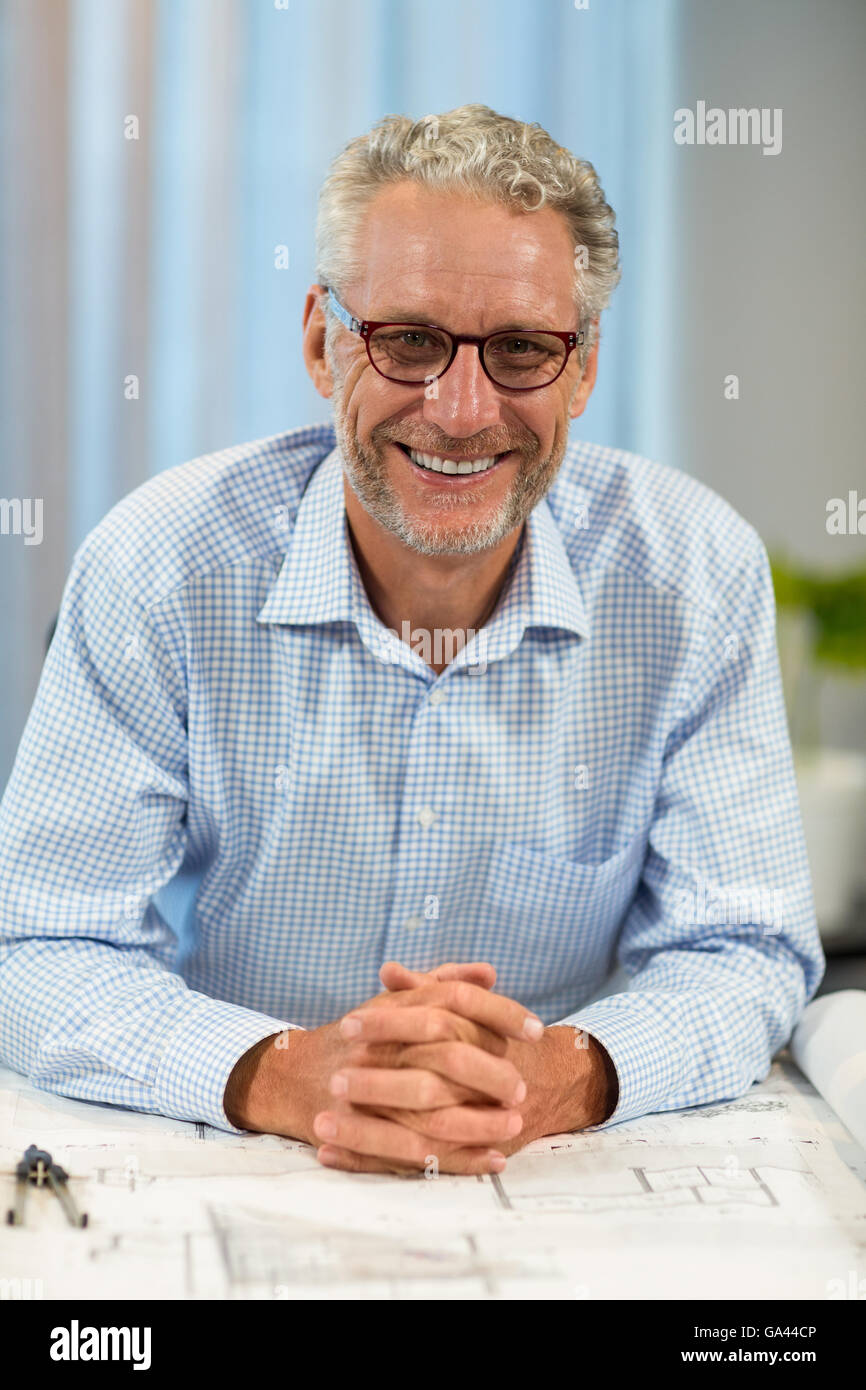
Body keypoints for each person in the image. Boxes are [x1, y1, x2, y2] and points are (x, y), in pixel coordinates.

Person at [0, 105, 823, 1176]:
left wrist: (564, 1073)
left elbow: (742, 946)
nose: (459, 408)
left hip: (550, 1170)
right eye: (409, 340)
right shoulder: (157, 564)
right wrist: (283, 1072)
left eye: (522, 349)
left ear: (579, 372)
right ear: (320, 341)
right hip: (236, 1154)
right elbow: (40, 943)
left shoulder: (695, 573)